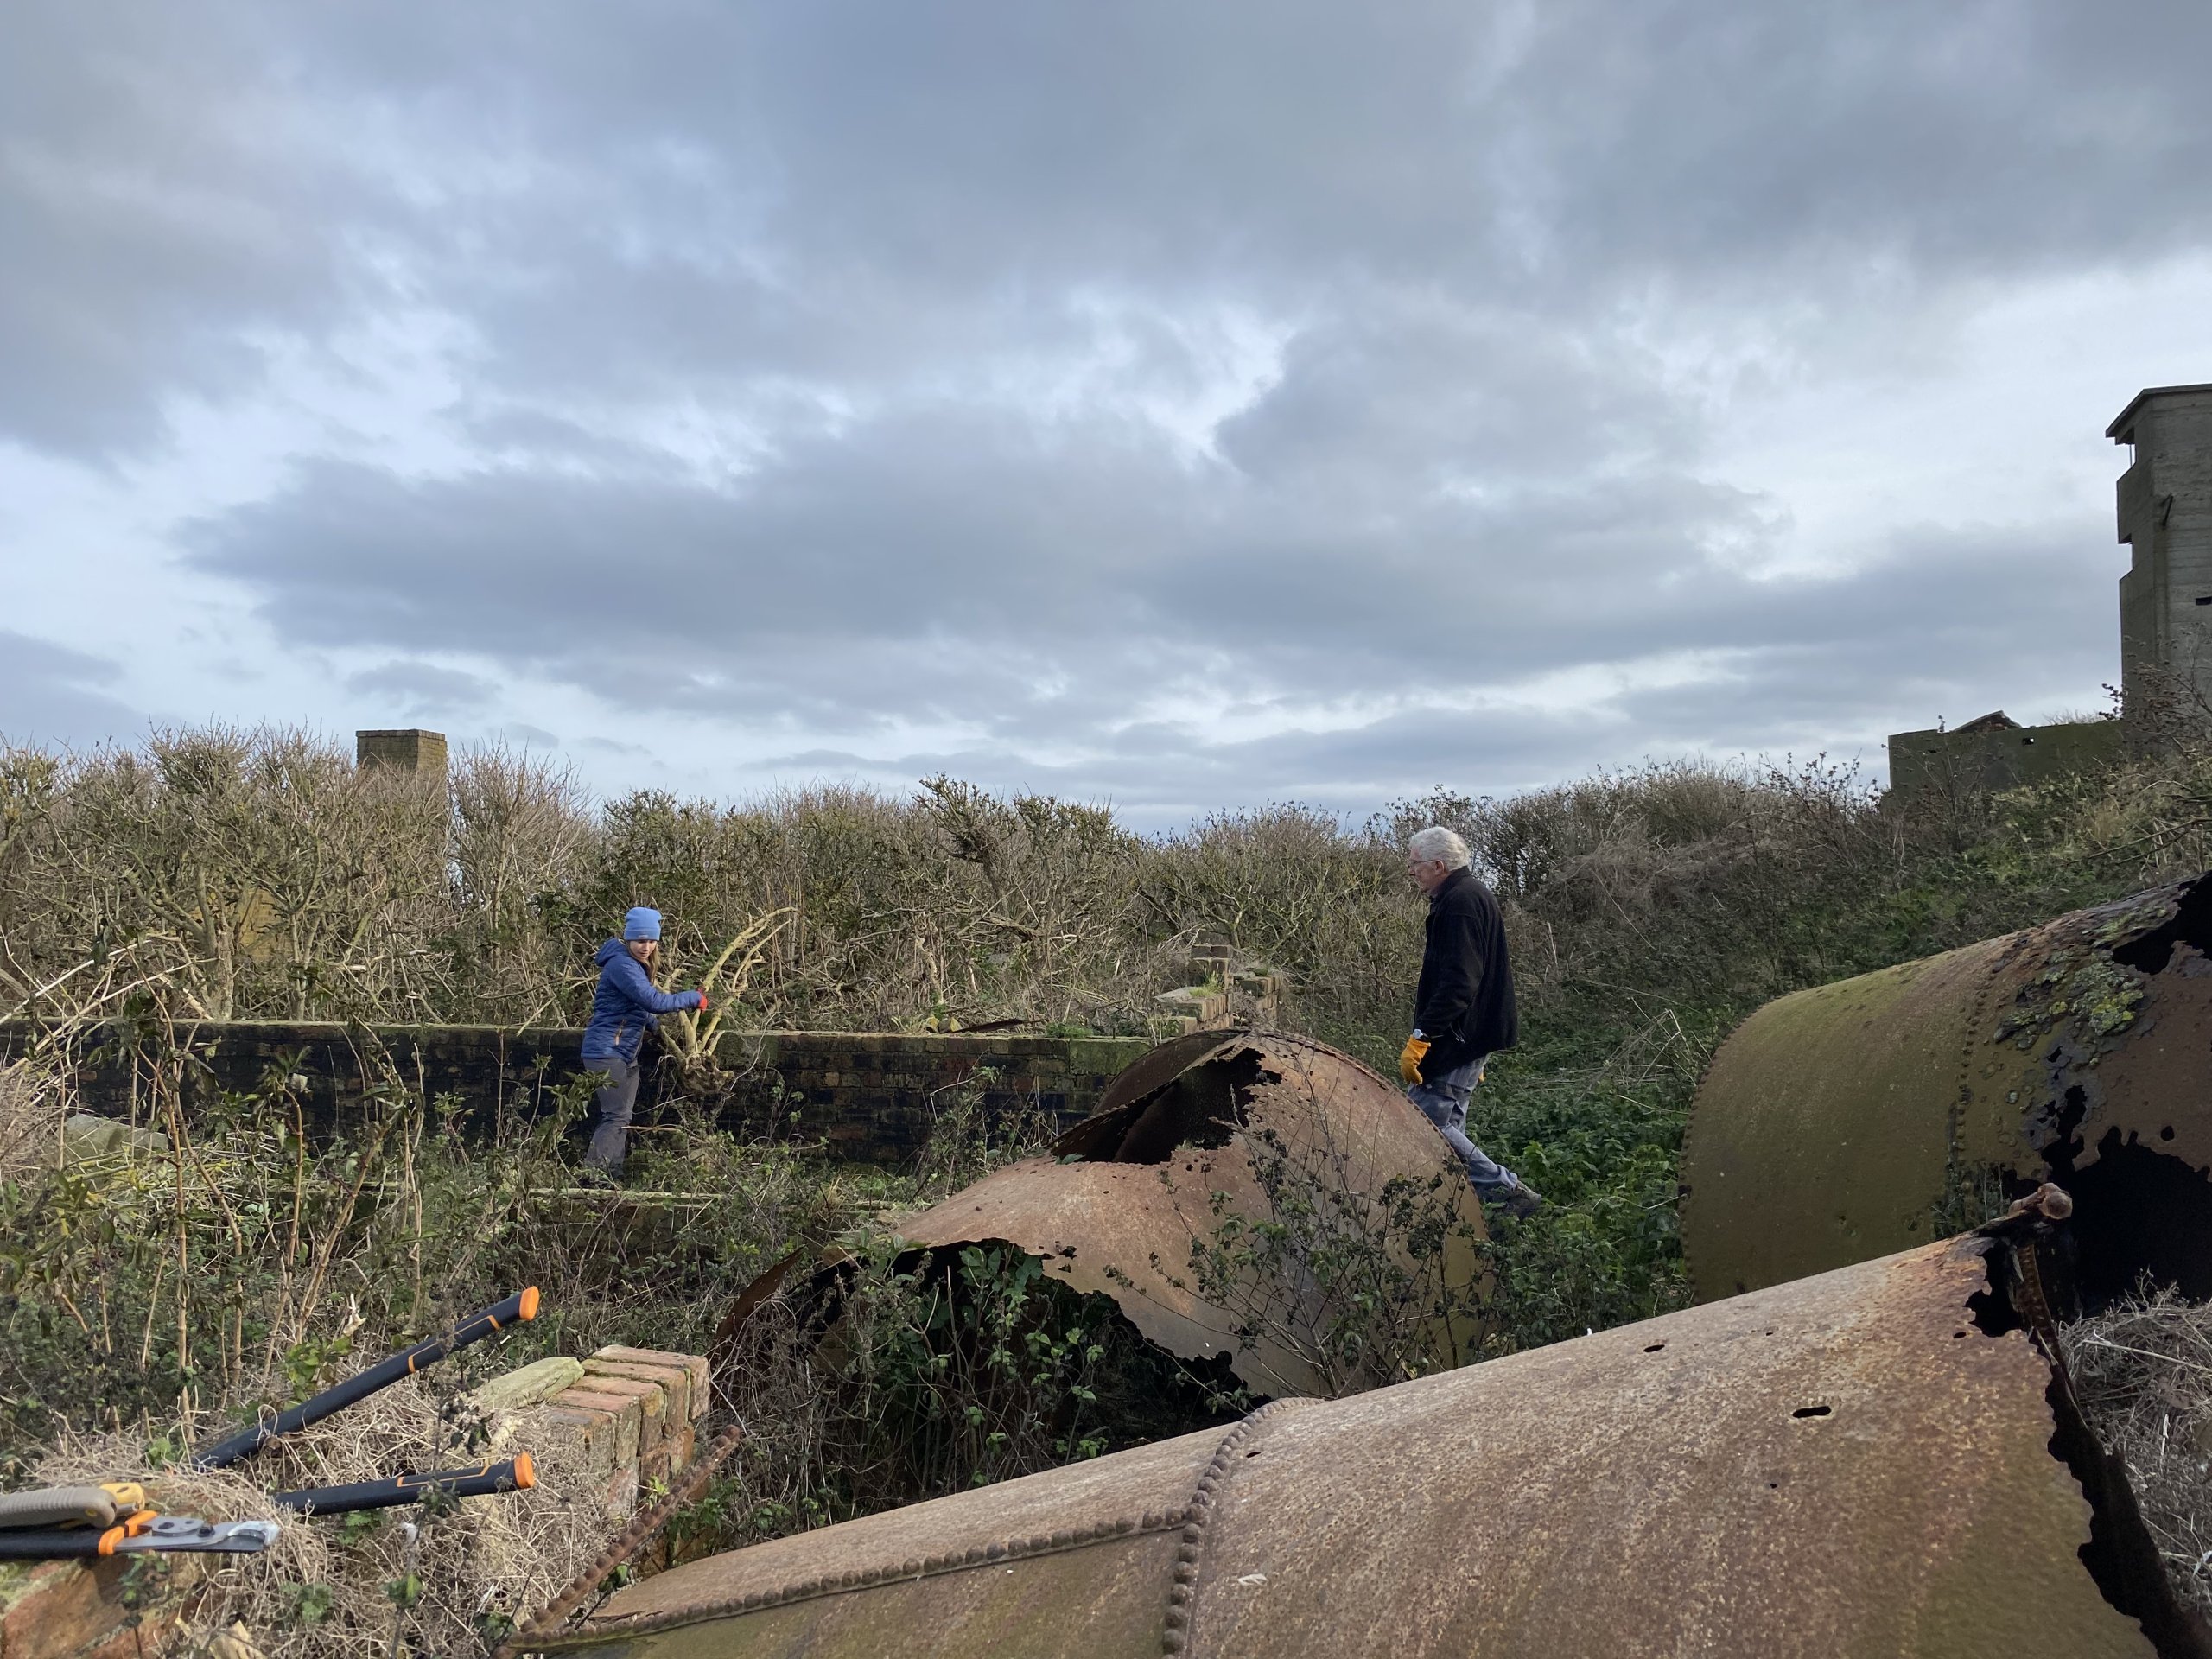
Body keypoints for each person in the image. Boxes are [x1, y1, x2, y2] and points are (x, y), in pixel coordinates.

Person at [1398, 828, 1543, 1218]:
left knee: (1423, 1122)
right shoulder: (1469, 894)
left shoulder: (1460, 903)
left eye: (1415, 863)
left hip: (1457, 1036)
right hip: (1471, 1035)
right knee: (1450, 1123)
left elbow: (1460, 982)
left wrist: (1422, 1037)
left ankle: (1508, 1191)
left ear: (1438, 866)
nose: (1411, 871)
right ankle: (1462, 1210)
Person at [578, 906, 705, 1179]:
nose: (646, 947)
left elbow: (633, 1006)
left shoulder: (632, 964)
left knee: (622, 1117)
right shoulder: (622, 965)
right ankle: (592, 1177)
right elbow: (653, 1001)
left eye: (651, 941)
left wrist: (656, 1028)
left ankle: (611, 1175)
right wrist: (694, 998)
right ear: (628, 939)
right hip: (606, 1052)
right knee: (615, 1116)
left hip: (623, 1052)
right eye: (640, 940)